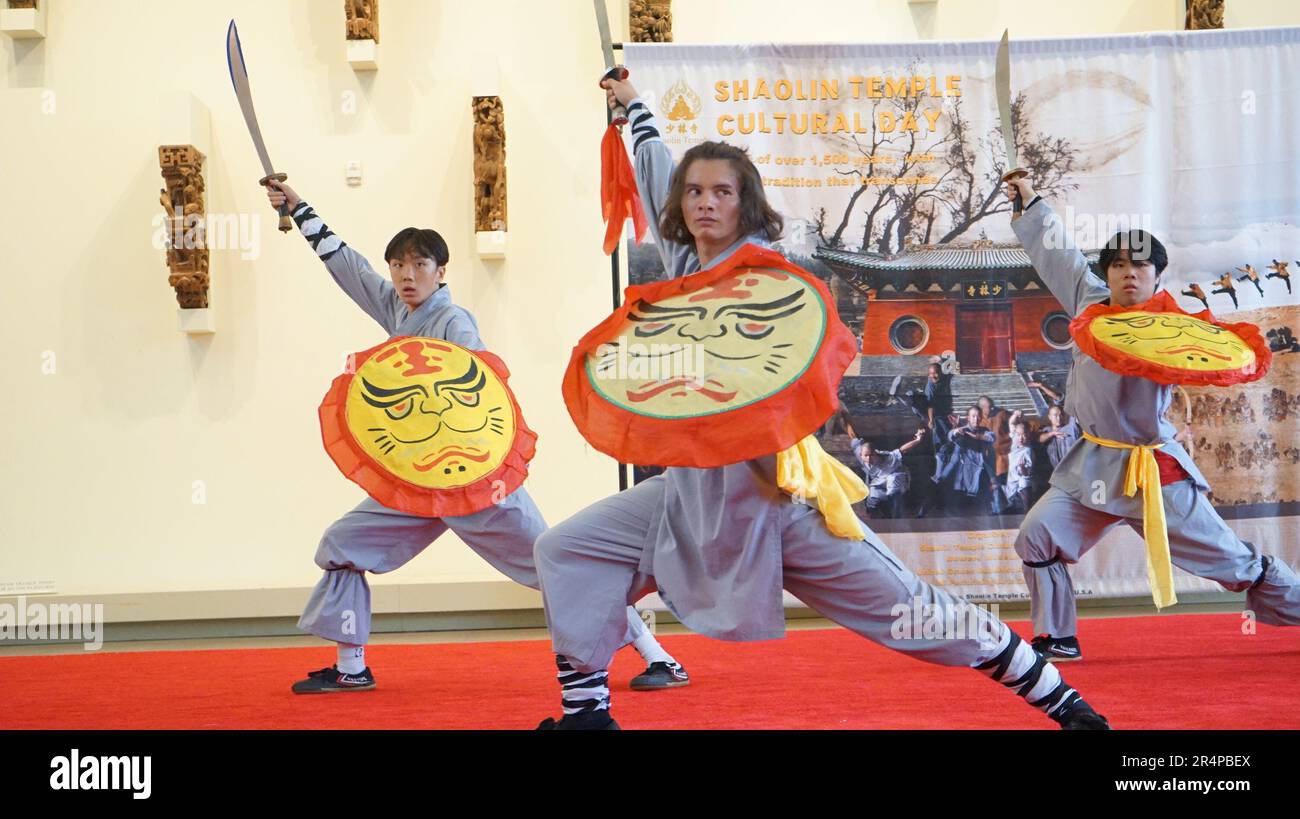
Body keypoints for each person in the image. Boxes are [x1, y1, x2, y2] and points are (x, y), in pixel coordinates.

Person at [531, 76, 1109, 731]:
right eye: (694, 192)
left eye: (722, 192)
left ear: (746, 203)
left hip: (777, 495)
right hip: (690, 493)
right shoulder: (688, 269)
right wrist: (632, 108)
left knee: (912, 612)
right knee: (567, 548)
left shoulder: (767, 278)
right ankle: (585, 713)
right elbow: (658, 172)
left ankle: (1058, 696)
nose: (704, 203)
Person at [262, 179, 686, 693]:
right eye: (399, 266)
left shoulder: (453, 320)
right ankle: (352, 668)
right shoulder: (397, 309)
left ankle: (659, 657)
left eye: (419, 265)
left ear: (441, 272)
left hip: (472, 483)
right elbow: (349, 268)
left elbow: (479, 386)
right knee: (342, 545)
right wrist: (300, 208)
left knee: (557, 566)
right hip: (417, 484)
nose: (405, 275)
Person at [1005, 174, 1300, 663]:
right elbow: (1057, 253)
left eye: (1140, 265)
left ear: (1157, 274)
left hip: (1155, 473)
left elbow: (1215, 364)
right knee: (1037, 537)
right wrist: (1030, 201)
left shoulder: (1176, 329)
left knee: (1235, 565)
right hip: (1093, 469)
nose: (1128, 273)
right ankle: (1057, 636)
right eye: (1118, 264)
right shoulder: (1088, 301)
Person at [853, 429, 925, 519]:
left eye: (871, 455)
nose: (869, 458)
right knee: (873, 498)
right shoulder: (860, 454)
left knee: (894, 483)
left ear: (875, 453)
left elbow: (902, 449)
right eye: (866, 456)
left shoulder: (889, 457)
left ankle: (896, 517)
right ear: (861, 455)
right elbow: (854, 438)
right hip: (879, 483)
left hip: (895, 479)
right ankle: (875, 515)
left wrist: (917, 440)